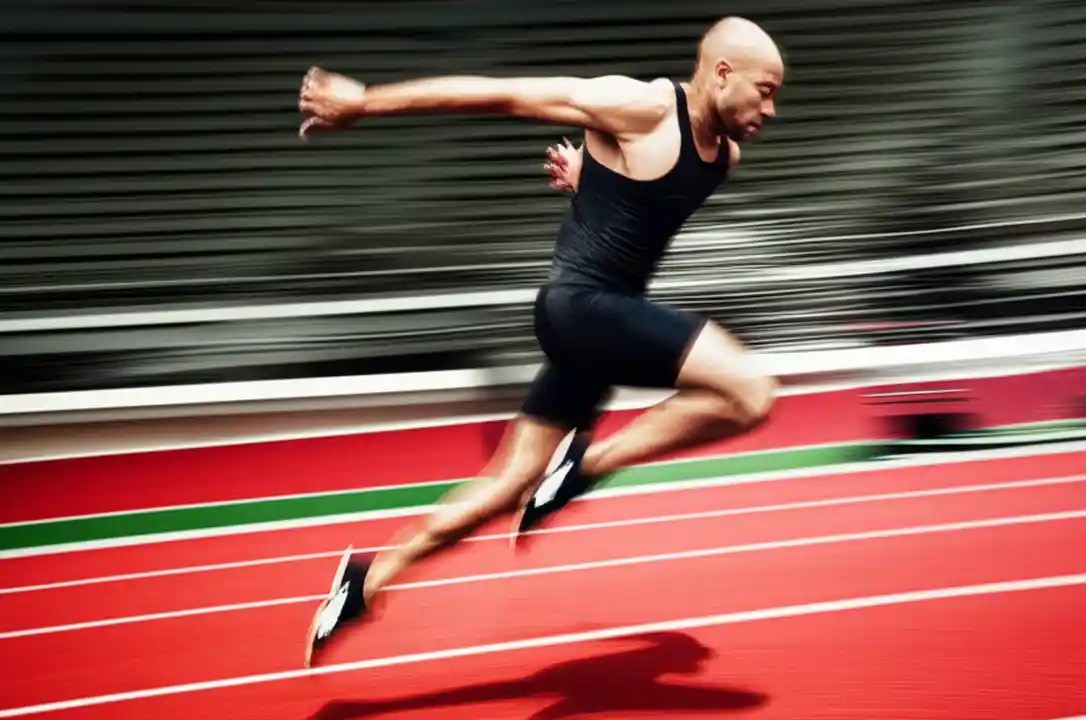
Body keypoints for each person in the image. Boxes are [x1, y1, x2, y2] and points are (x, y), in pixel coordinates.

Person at [297, 15, 785, 668]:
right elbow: (500, 93)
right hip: (581, 309)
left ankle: (369, 579)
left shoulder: (722, 156)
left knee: (508, 485)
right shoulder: (636, 104)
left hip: (598, 328)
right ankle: (585, 467)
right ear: (722, 73)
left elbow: (637, 208)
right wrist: (365, 101)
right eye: (765, 89)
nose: (771, 109)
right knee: (750, 390)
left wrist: (594, 183)